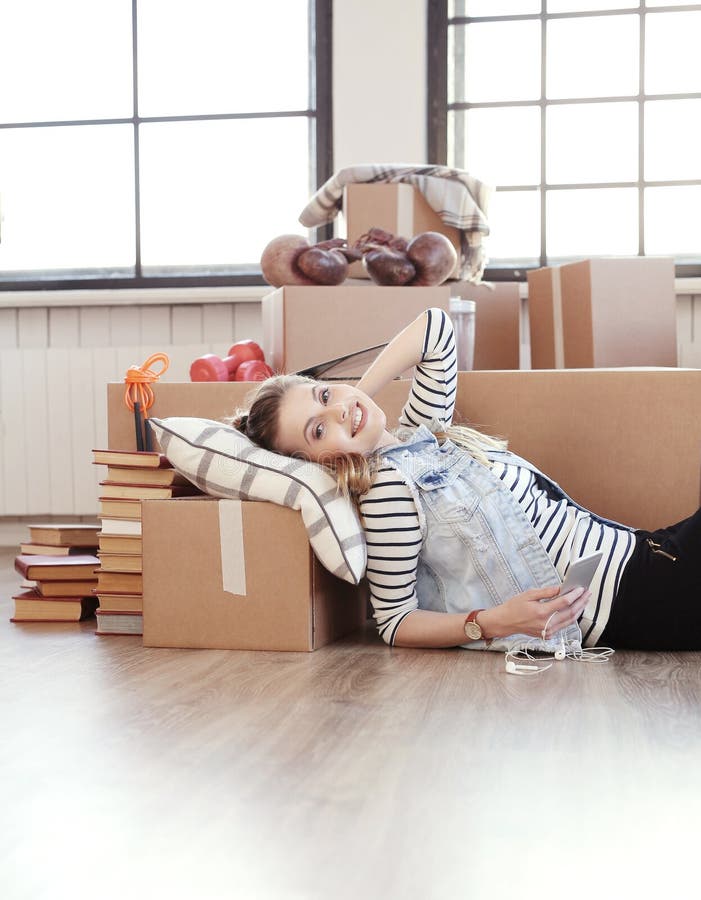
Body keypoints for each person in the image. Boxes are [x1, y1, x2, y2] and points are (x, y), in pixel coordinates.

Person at [233, 308, 701, 655]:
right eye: (318, 430)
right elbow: (394, 621)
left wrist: (351, 396)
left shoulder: (424, 433)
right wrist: (491, 623)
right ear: (320, 463)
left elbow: (435, 329)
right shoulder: (385, 490)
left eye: (325, 394)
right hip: (636, 597)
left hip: (652, 552)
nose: (337, 411)